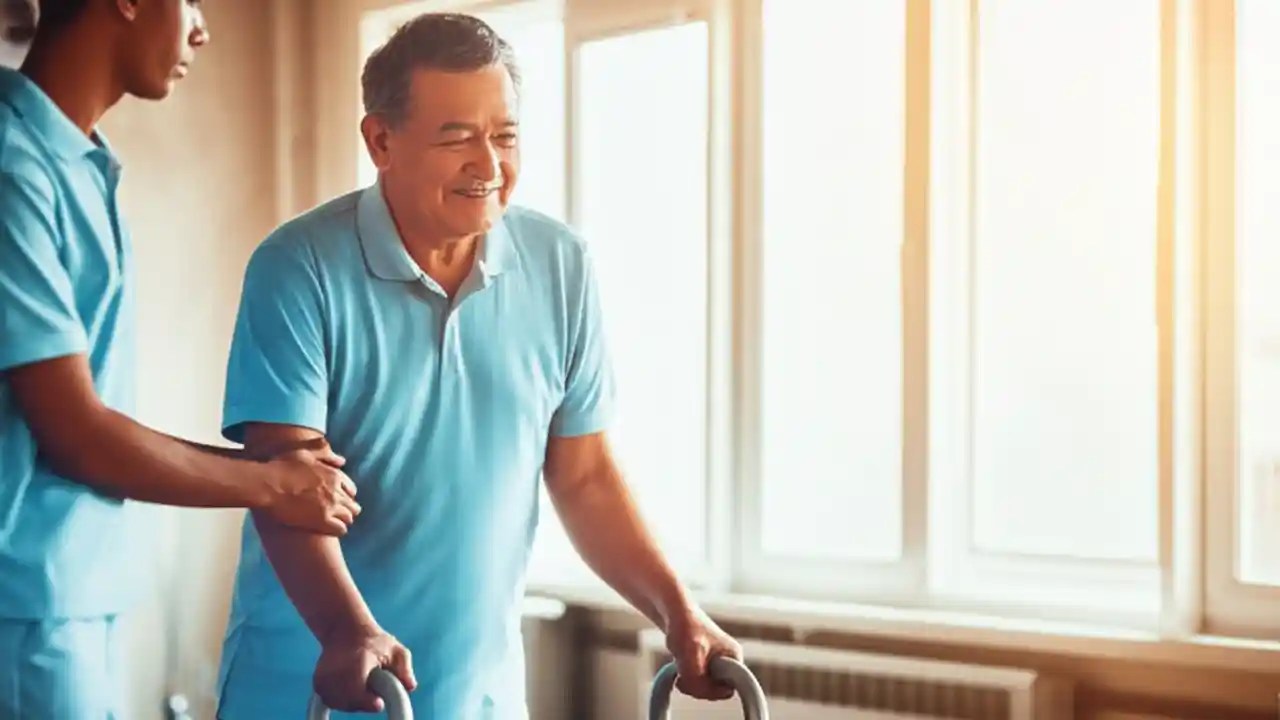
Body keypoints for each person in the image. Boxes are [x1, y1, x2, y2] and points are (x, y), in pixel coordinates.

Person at [214, 11, 743, 719]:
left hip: (476, 693)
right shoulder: (297, 266)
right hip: (312, 683)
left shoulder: (561, 266)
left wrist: (678, 611)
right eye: (457, 137)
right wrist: (348, 631)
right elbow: (284, 484)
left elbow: (583, 477)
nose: (489, 166)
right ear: (380, 141)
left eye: (504, 136)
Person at [0, 1, 361, 717]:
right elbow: (75, 433)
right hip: (23, 604)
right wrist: (272, 484)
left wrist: (274, 474)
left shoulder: (80, 162)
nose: (201, 28)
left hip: (75, 599)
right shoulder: (13, 168)